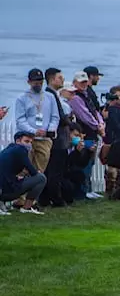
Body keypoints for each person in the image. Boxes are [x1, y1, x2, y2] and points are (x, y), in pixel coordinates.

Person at [68, 71, 105, 199]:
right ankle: (84, 190)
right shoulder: (76, 97)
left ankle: (89, 188)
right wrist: (97, 126)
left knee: (91, 161)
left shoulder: (87, 95)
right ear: (74, 83)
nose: (83, 85)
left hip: (93, 132)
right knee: (84, 161)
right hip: (84, 133)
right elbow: (84, 115)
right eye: (80, 82)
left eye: (85, 82)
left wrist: (101, 124)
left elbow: (94, 111)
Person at [15, 68, 59, 173]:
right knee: (23, 169)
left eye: (40, 82)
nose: (38, 84)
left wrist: (50, 130)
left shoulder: (50, 97)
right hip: (27, 137)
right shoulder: (22, 98)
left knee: (39, 170)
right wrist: (33, 131)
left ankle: (36, 188)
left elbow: (55, 117)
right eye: (35, 82)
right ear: (29, 82)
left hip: (44, 139)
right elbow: (20, 120)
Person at [39, 70, 73, 208]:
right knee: (55, 171)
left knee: (52, 170)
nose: (63, 79)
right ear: (52, 79)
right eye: (60, 77)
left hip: (58, 139)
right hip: (57, 140)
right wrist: (68, 120)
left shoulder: (53, 95)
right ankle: (56, 198)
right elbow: (58, 116)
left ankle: (46, 198)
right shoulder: (50, 95)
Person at [0, 132, 47, 215]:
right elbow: (33, 171)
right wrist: (37, 172)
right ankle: (27, 207)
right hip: (6, 191)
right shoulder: (20, 150)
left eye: (31, 142)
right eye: (26, 141)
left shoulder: (9, 149)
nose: (29, 144)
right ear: (18, 141)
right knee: (41, 178)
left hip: (3, 187)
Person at [102, 86, 120, 197]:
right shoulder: (109, 109)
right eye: (117, 96)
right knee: (111, 167)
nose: (119, 98)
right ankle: (110, 190)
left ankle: (118, 189)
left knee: (119, 167)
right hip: (111, 140)